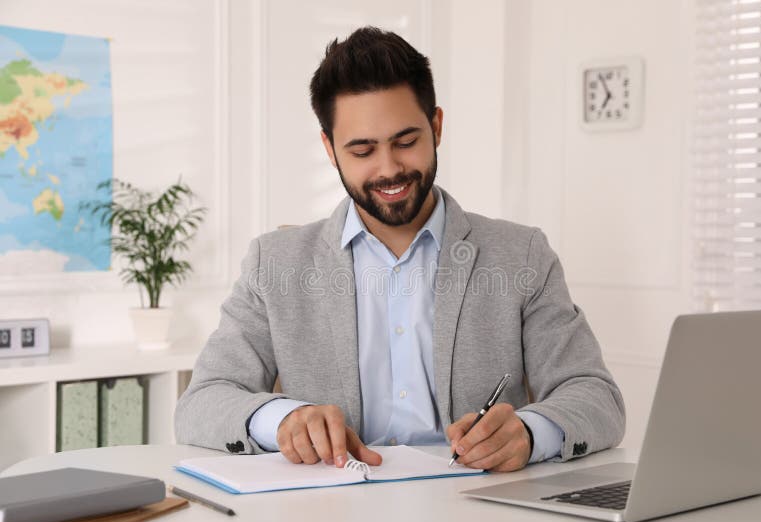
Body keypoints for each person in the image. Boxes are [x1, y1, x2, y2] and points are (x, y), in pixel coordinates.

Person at [175, 26, 624, 473]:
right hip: (331, 509)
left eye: (406, 142)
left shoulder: (521, 255)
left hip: (476, 504)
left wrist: (529, 433)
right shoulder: (274, 263)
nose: (389, 169)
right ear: (330, 150)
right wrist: (283, 420)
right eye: (362, 150)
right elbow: (202, 402)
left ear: (437, 127)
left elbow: (594, 395)